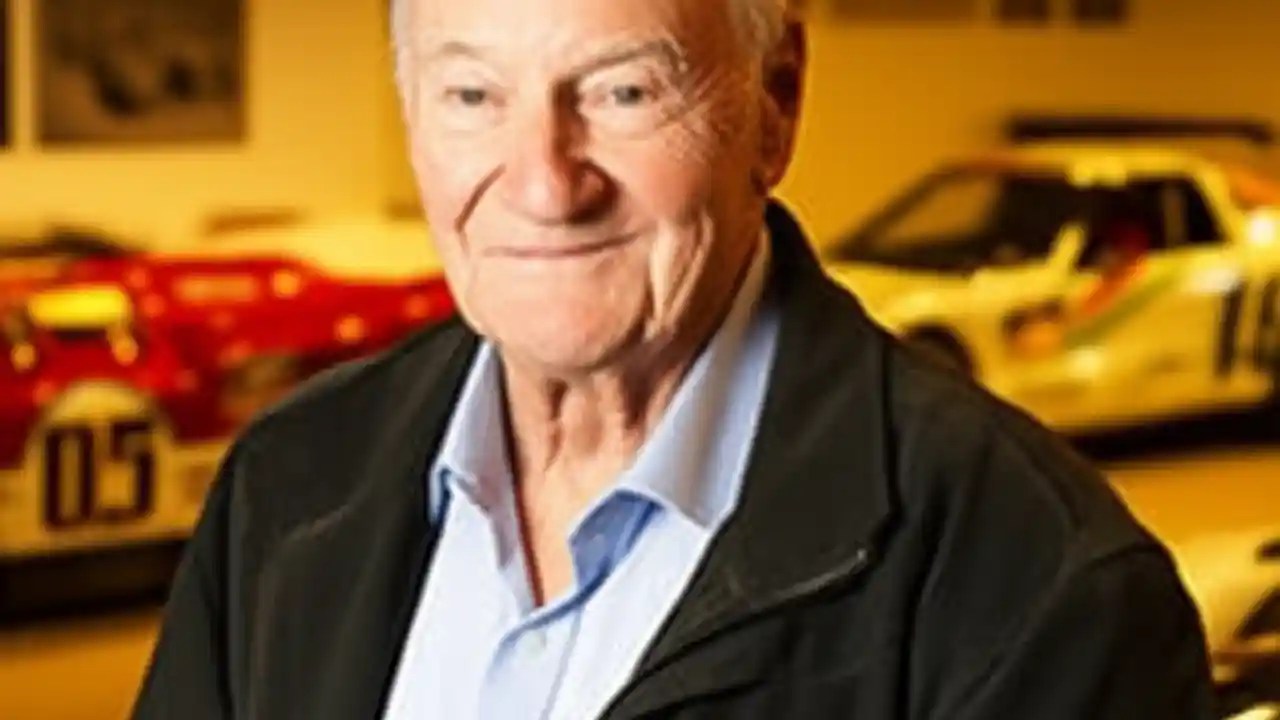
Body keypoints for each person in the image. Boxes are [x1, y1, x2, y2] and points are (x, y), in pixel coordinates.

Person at [133, 0, 1215, 717]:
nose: (544, 183)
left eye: (622, 91)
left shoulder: (1036, 591)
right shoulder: (289, 483)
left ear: (776, 101)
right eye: (473, 96)